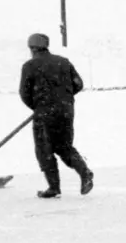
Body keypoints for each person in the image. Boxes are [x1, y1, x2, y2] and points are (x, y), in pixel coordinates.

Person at [18, 33, 94, 199]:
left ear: (32, 48)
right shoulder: (63, 62)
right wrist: (64, 98)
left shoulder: (29, 66)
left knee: (44, 150)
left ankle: (54, 187)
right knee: (64, 146)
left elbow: (24, 93)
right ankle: (85, 172)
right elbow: (78, 84)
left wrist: (39, 106)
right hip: (66, 111)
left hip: (44, 114)